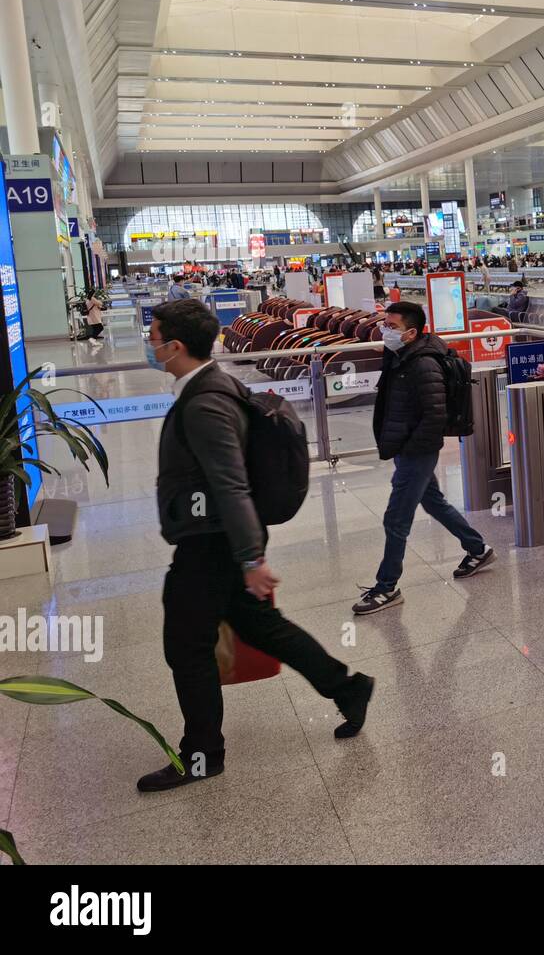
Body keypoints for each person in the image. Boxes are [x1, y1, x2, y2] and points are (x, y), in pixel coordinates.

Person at [141, 299, 373, 791]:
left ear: (175, 346)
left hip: (212, 543)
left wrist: (250, 557)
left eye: (154, 334)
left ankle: (202, 756)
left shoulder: (204, 402)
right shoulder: (214, 383)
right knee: (261, 625)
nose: (149, 342)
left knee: (186, 645)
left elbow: (230, 484)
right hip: (223, 537)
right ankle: (348, 688)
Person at [354, 301, 494, 616]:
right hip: (408, 446)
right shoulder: (401, 355)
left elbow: (434, 416)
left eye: (391, 327)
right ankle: (478, 548)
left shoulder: (423, 364)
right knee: (433, 502)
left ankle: (387, 587)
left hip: (417, 450)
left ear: (412, 333)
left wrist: (412, 448)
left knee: (396, 518)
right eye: (384, 324)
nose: (384, 331)